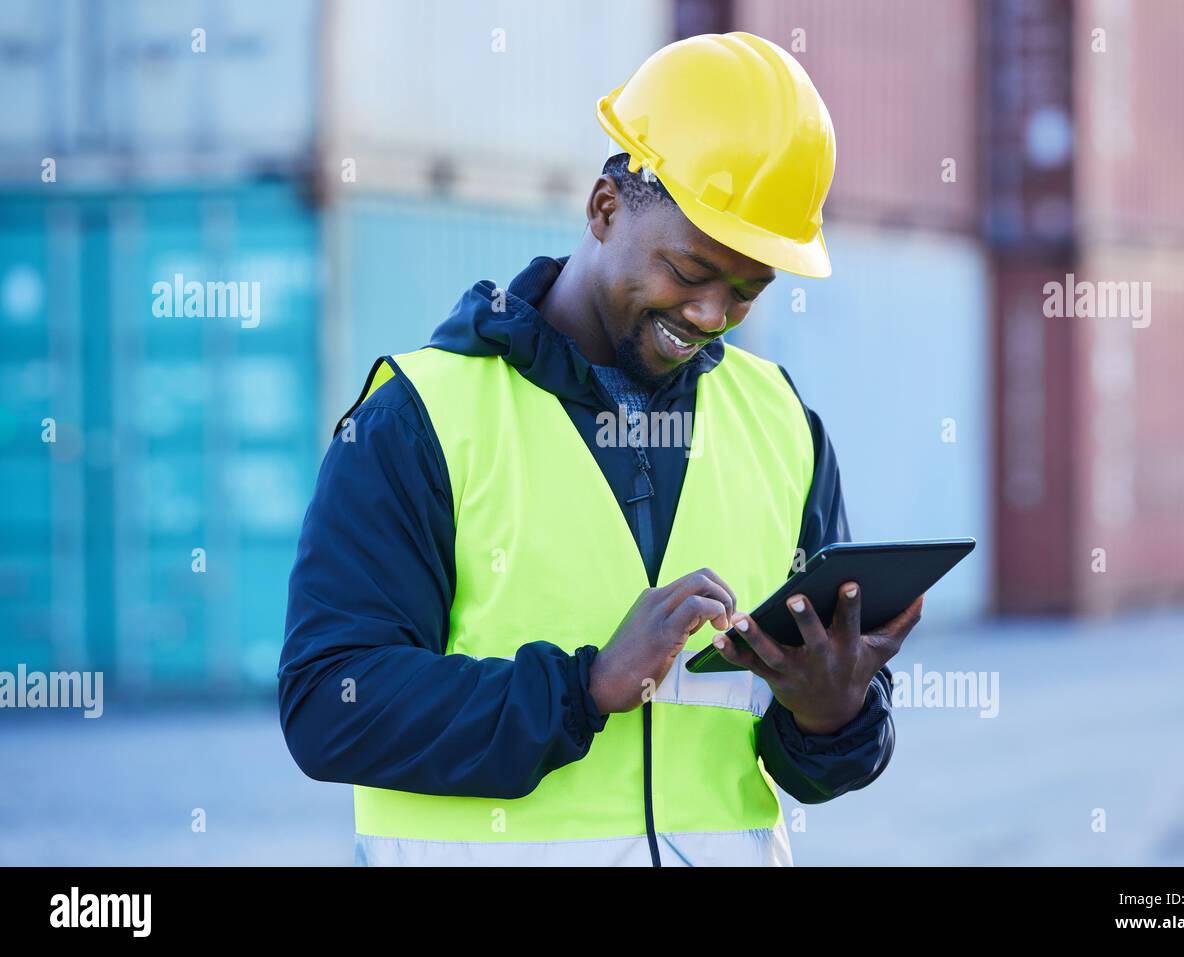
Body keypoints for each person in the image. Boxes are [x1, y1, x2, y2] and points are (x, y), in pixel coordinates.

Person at [279, 31, 922, 867]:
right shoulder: (419, 418)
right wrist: (581, 689)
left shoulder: (782, 424)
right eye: (690, 271)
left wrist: (835, 714)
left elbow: (803, 765)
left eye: (747, 290)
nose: (710, 313)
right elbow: (331, 704)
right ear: (605, 207)